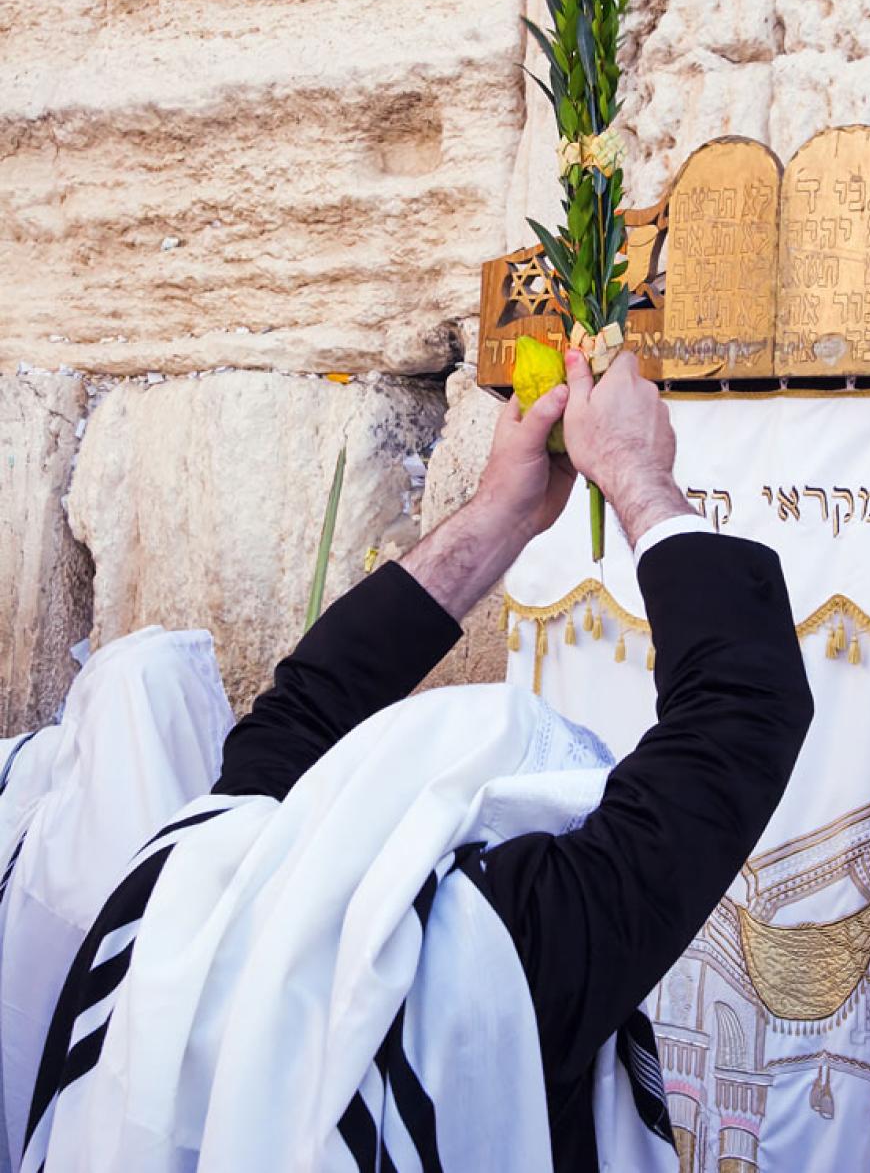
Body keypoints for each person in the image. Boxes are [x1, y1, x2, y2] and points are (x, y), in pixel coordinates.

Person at [22, 350, 813, 1173]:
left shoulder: (204, 882)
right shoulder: (506, 955)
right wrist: (636, 474)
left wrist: (501, 513)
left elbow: (304, 710)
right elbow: (742, 713)